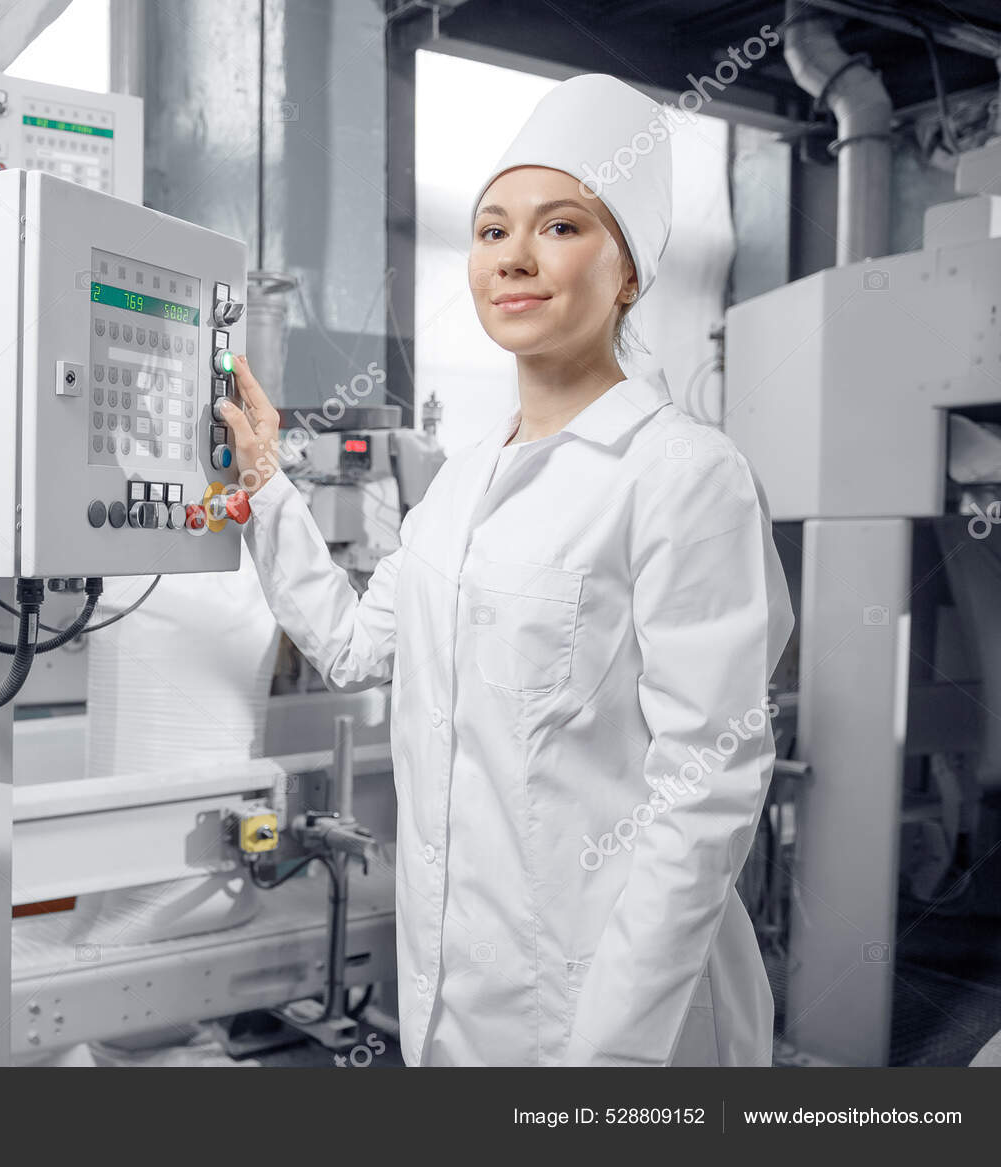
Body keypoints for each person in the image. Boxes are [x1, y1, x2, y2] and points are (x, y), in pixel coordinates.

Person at [216, 73, 794, 1066]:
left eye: (561, 227)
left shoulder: (682, 476)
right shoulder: (461, 484)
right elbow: (358, 647)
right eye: (489, 232)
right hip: (452, 1007)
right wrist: (265, 482)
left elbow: (704, 794)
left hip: (610, 1025)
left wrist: (608, 1056)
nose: (513, 258)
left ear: (628, 274)